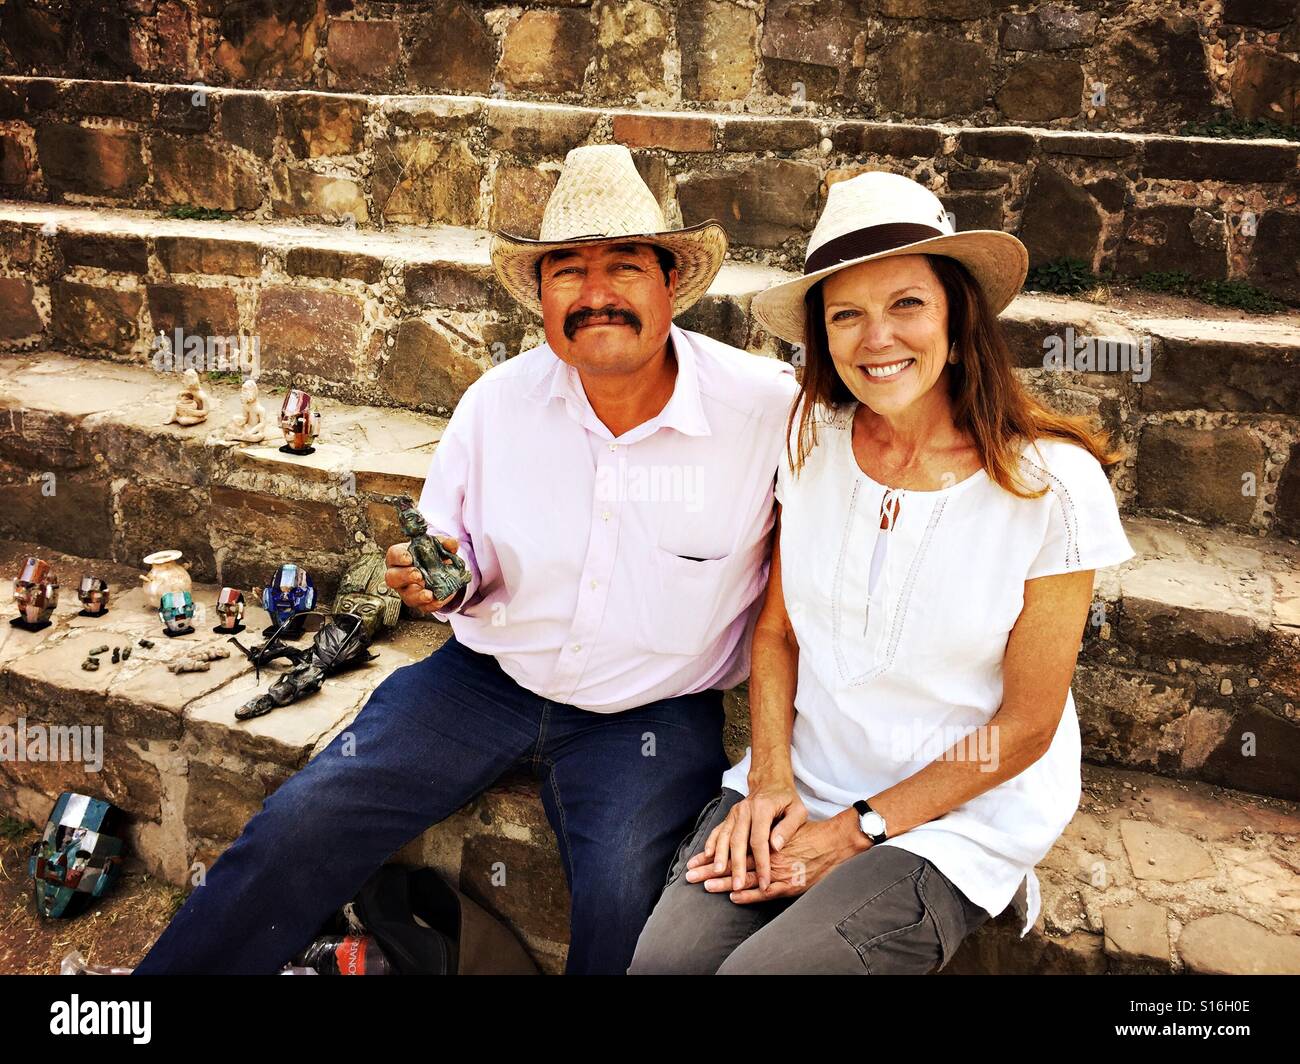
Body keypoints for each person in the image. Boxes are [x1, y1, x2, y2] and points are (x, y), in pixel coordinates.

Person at [131, 144, 797, 976]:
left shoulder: (765, 412)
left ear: (671, 286)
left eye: (624, 267)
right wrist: (442, 581)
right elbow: (455, 557)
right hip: (485, 681)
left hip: (651, 711)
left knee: (628, 916)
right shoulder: (497, 405)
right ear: (543, 297)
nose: (595, 295)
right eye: (568, 273)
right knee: (302, 821)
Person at [630, 170, 1135, 975]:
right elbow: (778, 631)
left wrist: (860, 829)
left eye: (907, 304)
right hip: (807, 778)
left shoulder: (1052, 484)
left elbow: (1028, 724)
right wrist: (766, 779)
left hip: (959, 813)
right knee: (663, 965)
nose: (878, 339)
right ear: (823, 338)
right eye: (847, 315)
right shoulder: (814, 444)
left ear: (957, 316)